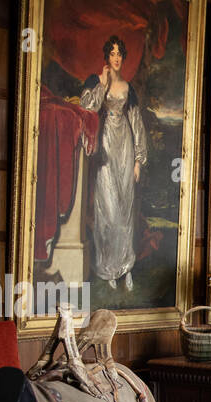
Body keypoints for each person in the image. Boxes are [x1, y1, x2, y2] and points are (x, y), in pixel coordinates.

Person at [79, 35, 147, 291]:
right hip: (105, 145)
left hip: (126, 147)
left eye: (120, 53)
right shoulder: (97, 81)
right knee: (107, 207)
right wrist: (103, 82)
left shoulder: (129, 88)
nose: (116, 58)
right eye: (112, 53)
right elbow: (87, 108)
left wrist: (139, 161)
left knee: (125, 207)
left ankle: (125, 266)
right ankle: (108, 268)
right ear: (106, 57)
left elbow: (137, 125)